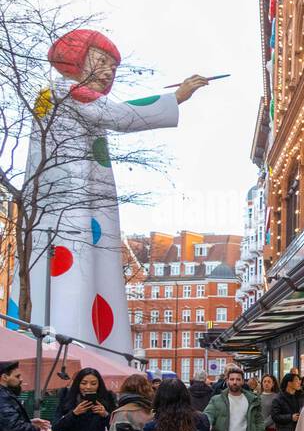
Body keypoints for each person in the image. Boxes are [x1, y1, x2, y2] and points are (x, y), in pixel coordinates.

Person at [17, 29, 206, 359]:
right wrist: (176, 98)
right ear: (76, 56)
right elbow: (120, 115)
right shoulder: (71, 93)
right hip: (75, 207)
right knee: (79, 275)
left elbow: (112, 111)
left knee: (69, 274)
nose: (108, 72)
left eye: (113, 67)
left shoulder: (51, 97)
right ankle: (81, 351)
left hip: (56, 205)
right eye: (101, 61)